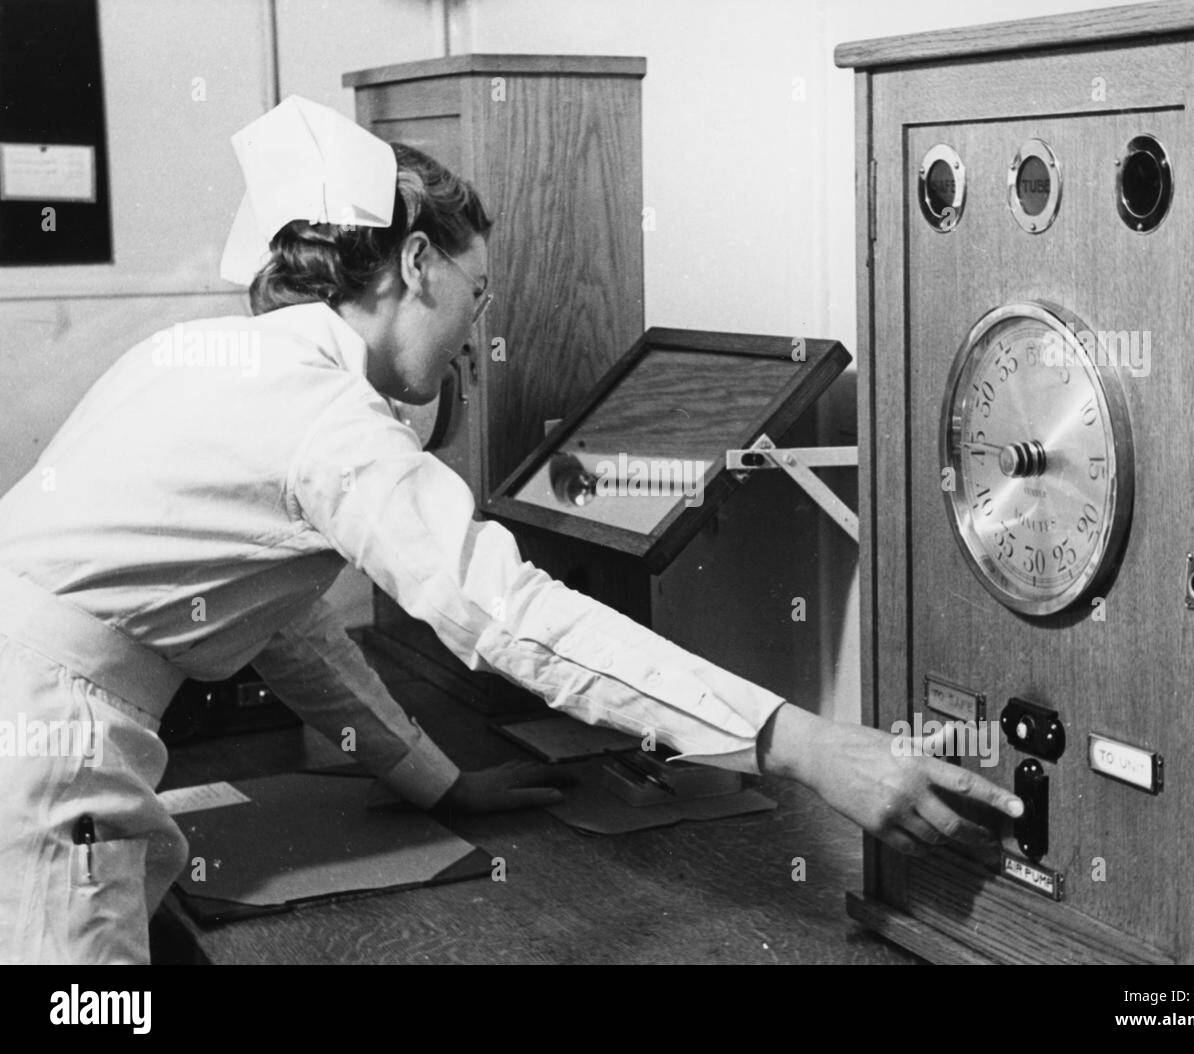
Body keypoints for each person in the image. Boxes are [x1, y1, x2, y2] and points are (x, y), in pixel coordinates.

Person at [0, 96, 1021, 964]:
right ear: (415, 262)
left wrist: (435, 778)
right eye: (477, 293)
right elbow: (509, 616)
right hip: (50, 758)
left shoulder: (223, 354)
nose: (474, 339)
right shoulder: (322, 413)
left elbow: (288, 626)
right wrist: (804, 744)